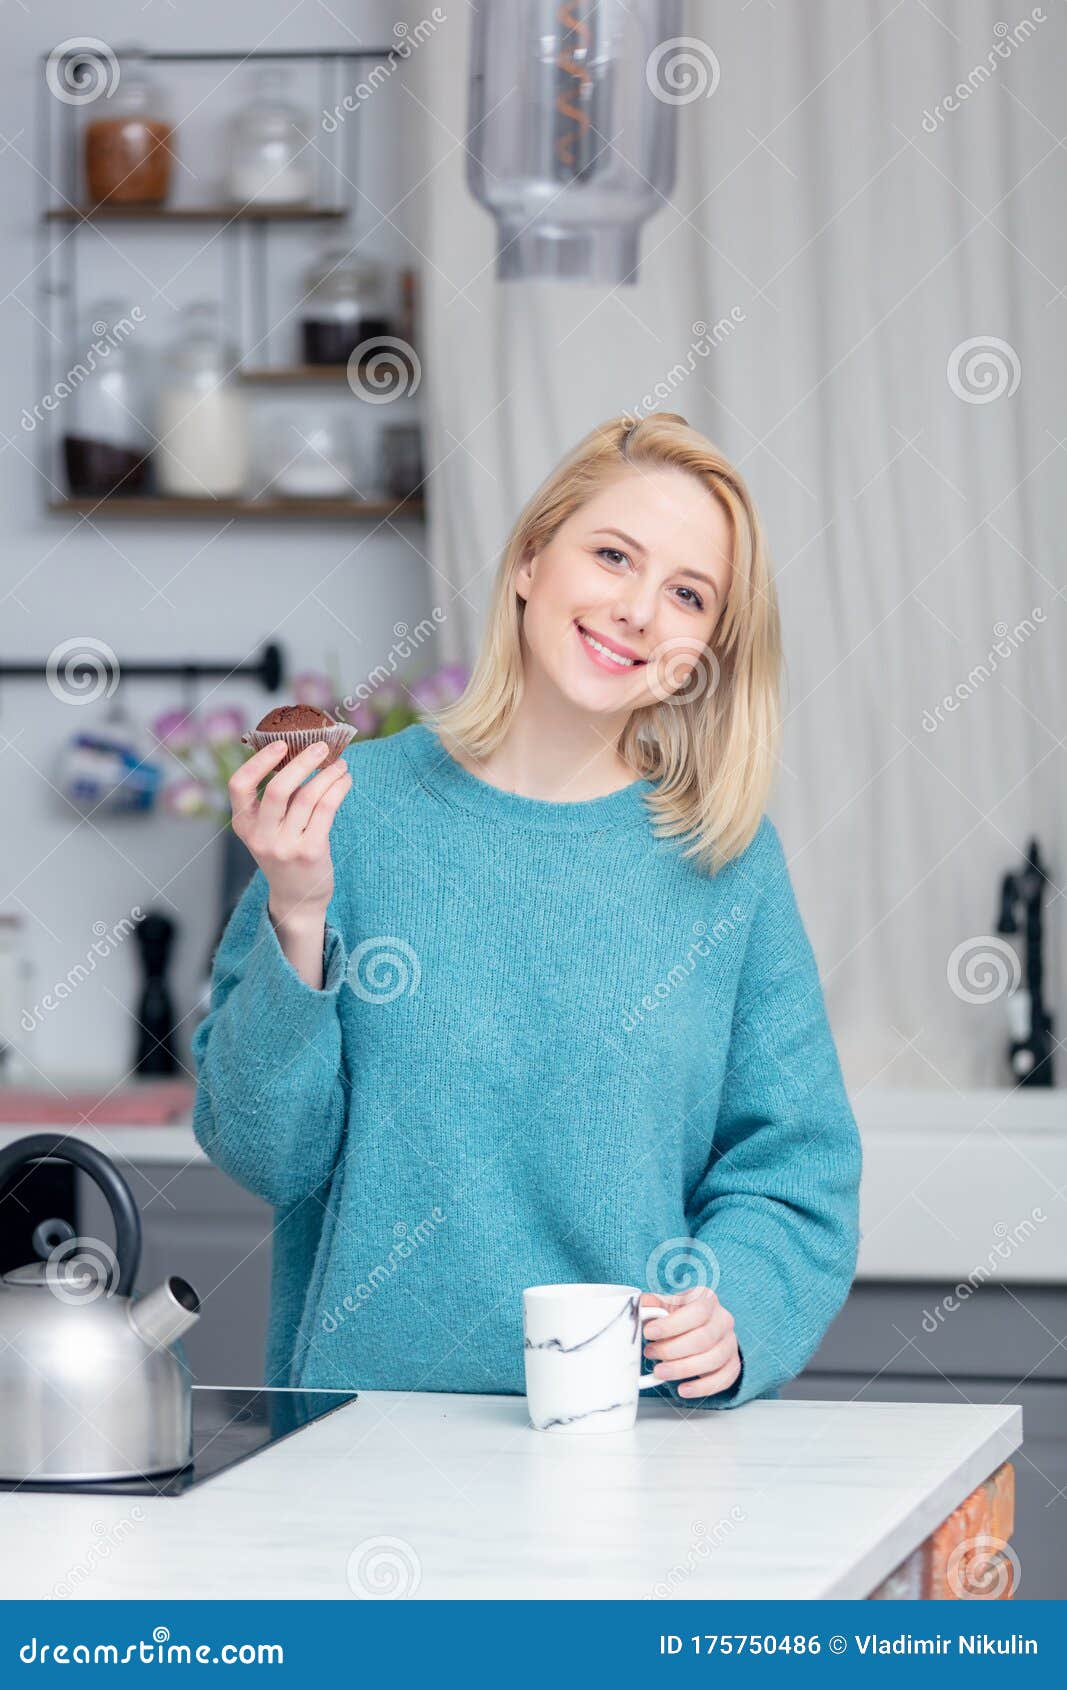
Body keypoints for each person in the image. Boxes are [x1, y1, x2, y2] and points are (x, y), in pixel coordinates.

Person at [192, 411, 862, 1411]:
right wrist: (297, 909)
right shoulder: (352, 814)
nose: (637, 610)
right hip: (366, 1457)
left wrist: (735, 1307)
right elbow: (265, 1151)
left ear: (705, 651)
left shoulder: (724, 861)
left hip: (632, 1449)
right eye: (612, 555)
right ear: (530, 559)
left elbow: (795, 1167)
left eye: (686, 594)